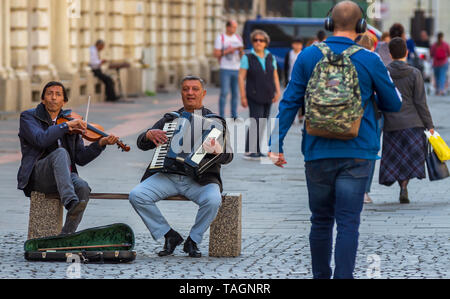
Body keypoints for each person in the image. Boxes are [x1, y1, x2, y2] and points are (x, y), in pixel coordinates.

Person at [268, 1, 402, 279]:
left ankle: (320, 276)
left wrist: (275, 145)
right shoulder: (370, 59)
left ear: (328, 24)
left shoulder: (307, 57)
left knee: (320, 221)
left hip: (317, 151)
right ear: (361, 26)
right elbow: (393, 104)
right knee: (348, 223)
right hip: (358, 150)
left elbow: (289, 102)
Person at [129, 76, 233, 258]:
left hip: (200, 180)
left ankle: (193, 240)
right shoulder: (170, 119)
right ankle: (169, 235)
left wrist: (218, 151)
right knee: (137, 195)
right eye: (186, 89)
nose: (190, 93)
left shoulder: (215, 122)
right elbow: (141, 144)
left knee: (213, 200)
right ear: (181, 93)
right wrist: (147, 135)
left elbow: (228, 157)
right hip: (168, 176)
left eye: (195, 89)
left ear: (203, 93)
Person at [17, 81, 119, 235]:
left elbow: (81, 158)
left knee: (83, 187)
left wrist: (100, 144)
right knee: (60, 153)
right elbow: (41, 139)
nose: (53, 98)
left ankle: (66, 235)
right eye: (49, 94)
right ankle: (70, 201)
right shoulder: (28, 117)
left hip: (64, 176)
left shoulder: (70, 121)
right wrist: (65, 127)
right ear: (43, 99)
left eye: (58, 94)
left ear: (64, 101)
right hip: (37, 175)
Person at [379, 37, 435, 204]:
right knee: (409, 159)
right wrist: (429, 125)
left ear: (390, 53)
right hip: (413, 123)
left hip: (392, 123)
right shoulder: (415, 73)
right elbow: (420, 102)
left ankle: (401, 184)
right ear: (406, 52)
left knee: (396, 158)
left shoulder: (384, 73)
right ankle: (404, 185)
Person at [238, 30, 281, 161]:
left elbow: (275, 75)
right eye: (255, 40)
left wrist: (278, 91)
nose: (258, 42)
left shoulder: (270, 57)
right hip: (253, 94)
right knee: (255, 121)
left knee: (263, 122)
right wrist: (243, 96)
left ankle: (256, 149)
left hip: (268, 94)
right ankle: (249, 150)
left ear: (266, 43)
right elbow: (241, 77)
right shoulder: (247, 57)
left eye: (261, 40)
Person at [356, 33, 378, 204]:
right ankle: (363, 191)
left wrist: (276, 144)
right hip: (369, 113)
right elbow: (391, 97)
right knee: (369, 152)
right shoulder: (373, 59)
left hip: (343, 114)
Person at [214, 20, 244, 119]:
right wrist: (228, 51)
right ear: (227, 27)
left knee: (235, 93)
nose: (235, 29)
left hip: (237, 68)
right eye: (233, 27)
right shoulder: (221, 38)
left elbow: (242, 55)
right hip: (225, 68)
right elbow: (216, 54)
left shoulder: (238, 38)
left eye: (236, 27)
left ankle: (234, 115)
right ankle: (221, 115)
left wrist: (240, 51)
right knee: (224, 92)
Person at [284, 37, 305, 124]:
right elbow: (286, 67)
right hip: (290, 79)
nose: (297, 46)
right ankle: (291, 117)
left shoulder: (303, 54)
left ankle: (301, 116)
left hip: (301, 80)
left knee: (301, 99)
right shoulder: (289, 54)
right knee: (291, 99)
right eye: (295, 44)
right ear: (292, 45)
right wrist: (285, 80)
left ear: (301, 46)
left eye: (299, 44)